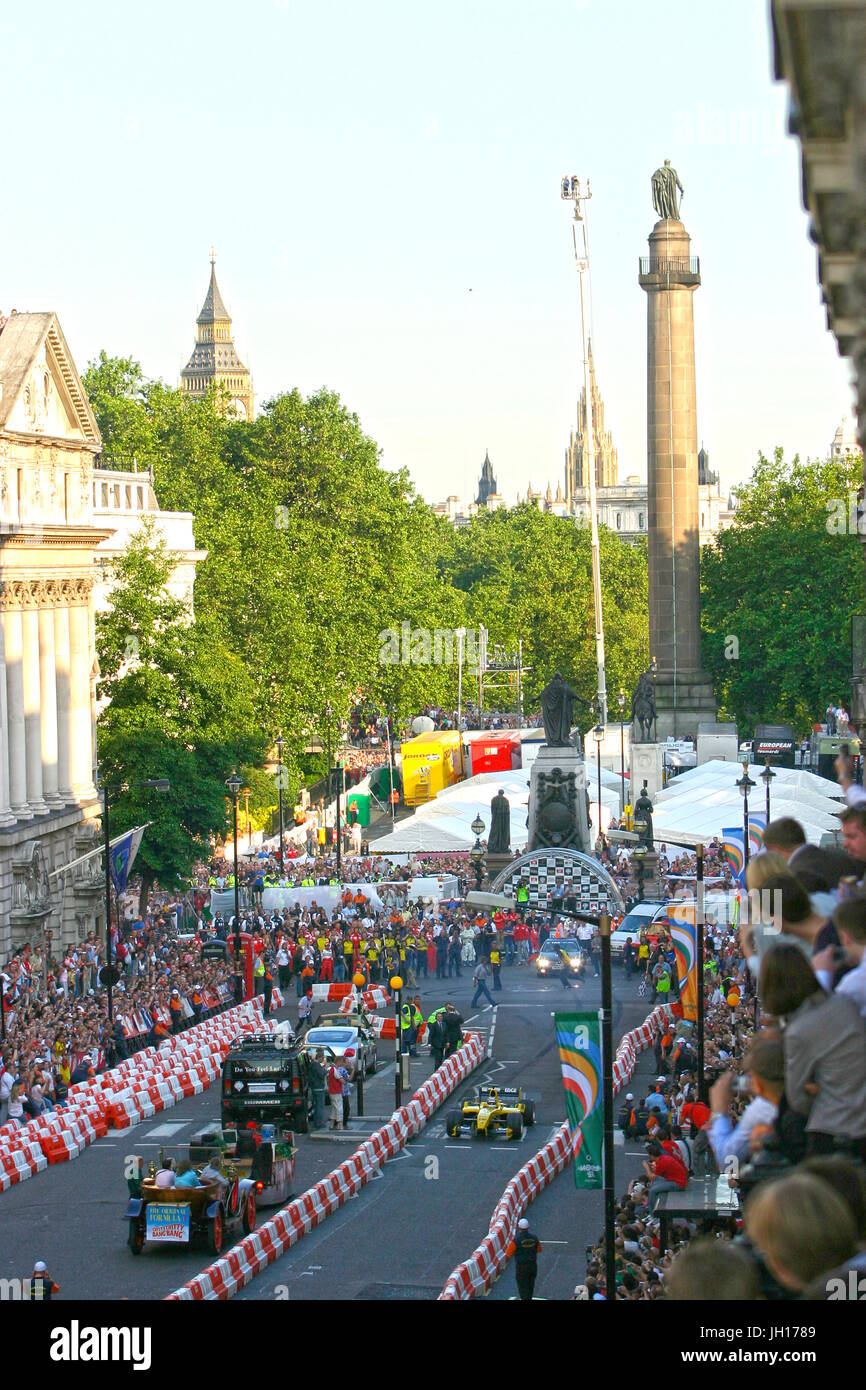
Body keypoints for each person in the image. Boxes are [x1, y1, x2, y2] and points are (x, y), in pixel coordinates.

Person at [760, 943, 866, 1158]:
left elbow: (797, 1098)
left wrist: (824, 1093)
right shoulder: (843, 1003)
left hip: (835, 1129)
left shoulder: (798, 1032)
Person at [506, 1217, 542, 1301]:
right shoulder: (534, 1238)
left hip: (522, 1267)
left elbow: (508, 1253)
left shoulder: (516, 1240)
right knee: (530, 1286)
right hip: (533, 1266)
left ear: (519, 1228)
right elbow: (539, 1249)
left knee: (523, 1287)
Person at [307, 1049, 327, 1129]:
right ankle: (319, 1123)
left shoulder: (312, 1065)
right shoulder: (316, 1065)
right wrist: (325, 1069)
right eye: (323, 1057)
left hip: (314, 1087)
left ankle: (316, 1122)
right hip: (318, 1088)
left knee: (316, 1106)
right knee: (320, 1106)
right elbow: (321, 1074)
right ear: (320, 1057)